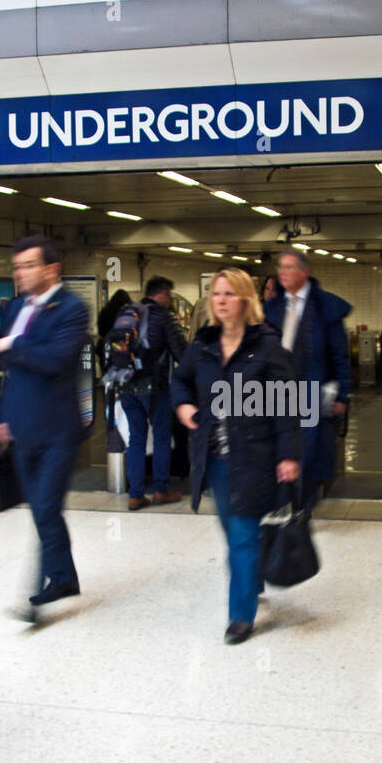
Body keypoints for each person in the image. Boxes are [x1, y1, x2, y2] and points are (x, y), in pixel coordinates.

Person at [172, 268, 301, 645]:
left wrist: (288, 455)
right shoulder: (203, 346)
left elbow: (287, 407)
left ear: (246, 301)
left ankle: (240, 615)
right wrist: (182, 407)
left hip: (255, 457)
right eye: (216, 294)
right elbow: (180, 380)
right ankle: (253, 577)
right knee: (233, 532)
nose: (221, 300)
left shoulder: (268, 348)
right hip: (214, 460)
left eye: (229, 294)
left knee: (242, 536)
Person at [0, 236, 89, 616]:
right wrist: (1, 415)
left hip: (59, 430)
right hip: (21, 425)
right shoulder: (16, 307)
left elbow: (58, 359)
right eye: (17, 266)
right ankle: (64, 576)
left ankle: (36, 593)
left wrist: (14, 344)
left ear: (51, 269)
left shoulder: (72, 309)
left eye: (29, 265)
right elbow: (10, 372)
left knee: (46, 507)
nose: (21, 273)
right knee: (40, 509)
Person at [262, 250, 351, 508]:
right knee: (278, 447)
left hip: (315, 391)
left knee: (310, 453)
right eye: (281, 267)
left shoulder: (325, 307)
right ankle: (282, 503)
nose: (283, 273)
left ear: (304, 272)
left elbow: (339, 355)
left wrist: (343, 395)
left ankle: (303, 508)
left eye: (289, 267)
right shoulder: (272, 308)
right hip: (276, 392)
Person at [119, 276, 188, 510]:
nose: (169, 301)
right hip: (154, 387)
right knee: (160, 436)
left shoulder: (127, 313)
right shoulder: (163, 316)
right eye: (168, 296)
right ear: (162, 294)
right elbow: (181, 352)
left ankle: (135, 494)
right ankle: (161, 489)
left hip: (126, 385)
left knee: (136, 438)